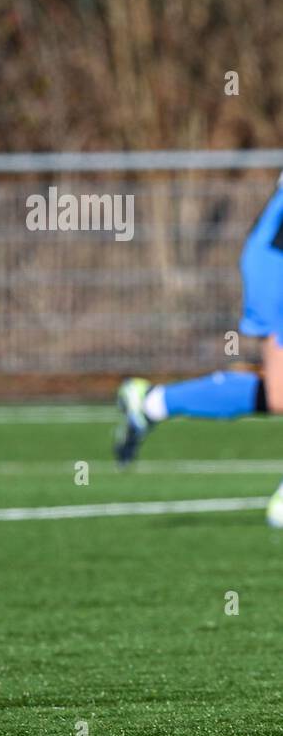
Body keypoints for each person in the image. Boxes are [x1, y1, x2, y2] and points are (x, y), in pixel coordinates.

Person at [114, 172, 283, 524]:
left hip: (269, 257)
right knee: (281, 396)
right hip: (276, 265)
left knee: (278, 394)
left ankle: (152, 402)